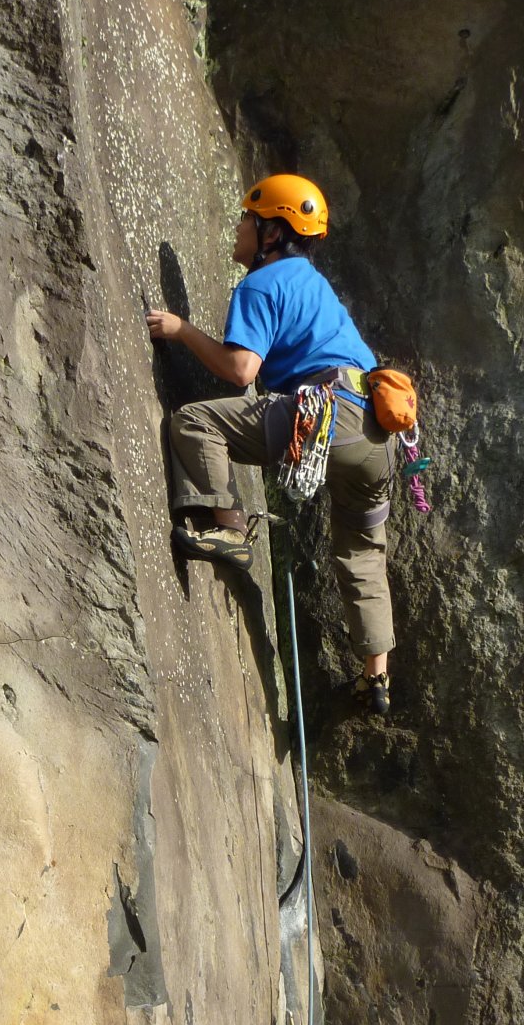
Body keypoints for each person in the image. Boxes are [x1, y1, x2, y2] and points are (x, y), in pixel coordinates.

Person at [145, 173, 397, 717]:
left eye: (246, 218)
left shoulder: (262, 284)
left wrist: (181, 330)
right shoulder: (315, 287)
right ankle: (376, 677)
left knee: (193, 422)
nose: (237, 227)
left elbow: (240, 371)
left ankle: (227, 529)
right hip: (378, 435)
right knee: (361, 554)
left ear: (271, 231)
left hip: (329, 416)